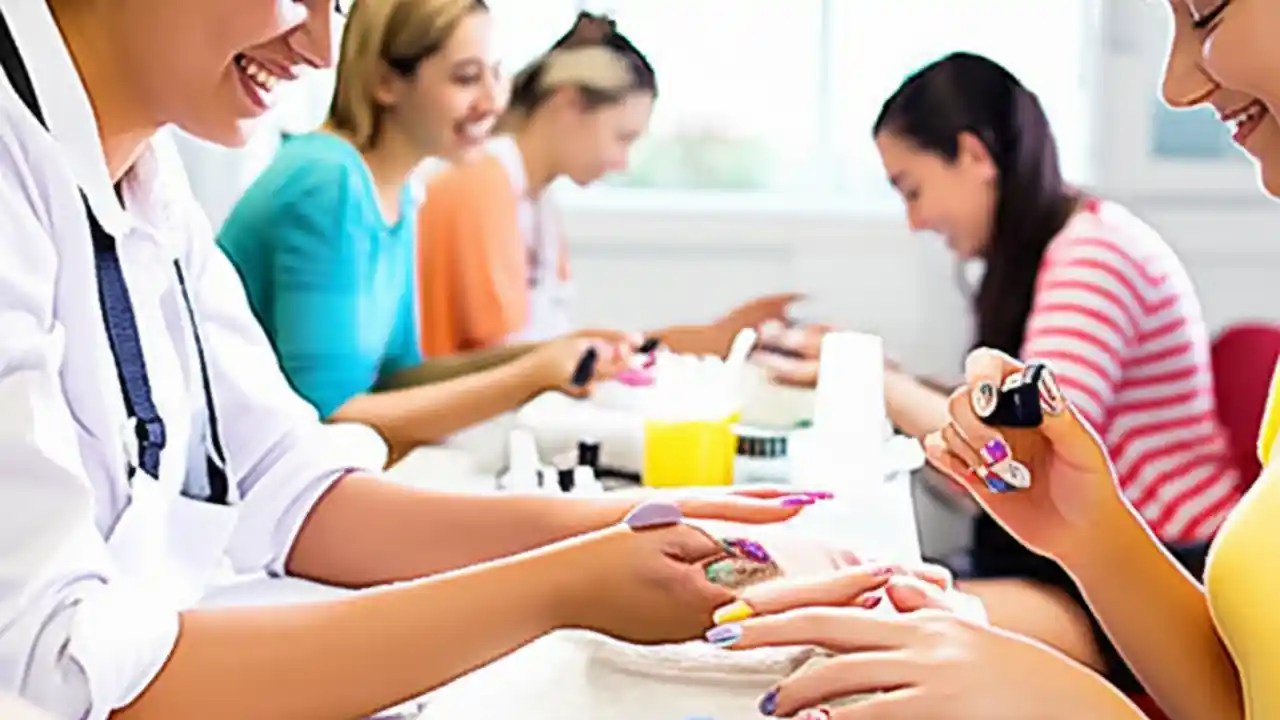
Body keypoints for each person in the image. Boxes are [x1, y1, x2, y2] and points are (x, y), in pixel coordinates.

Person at [0, 1, 823, 716]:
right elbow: (57, 671)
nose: (323, 49)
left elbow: (290, 485)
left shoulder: (149, 177)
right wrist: (562, 588)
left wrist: (647, 522)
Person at [697, 2, 1280, 717]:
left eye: (912, 189)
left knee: (855, 629)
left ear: (974, 156)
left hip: (1172, 553)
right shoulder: (1053, 250)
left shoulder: (1094, 252)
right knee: (840, 597)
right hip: (1110, 559)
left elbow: (1017, 449)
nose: (914, 221)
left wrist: (869, 377)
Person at [218, 0, 633, 463]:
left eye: (496, 74)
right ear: (385, 82)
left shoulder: (402, 191)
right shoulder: (328, 182)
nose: (494, 102)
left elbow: (399, 376)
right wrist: (531, 374)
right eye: (465, 78)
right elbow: (330, 420)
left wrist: (551, 354)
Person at [416, 11, 797, 358]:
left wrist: (711, 339)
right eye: (622, 136)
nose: (623, 162)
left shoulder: (537, 203)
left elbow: (544, 353)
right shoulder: (479, 184)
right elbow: (508, 358)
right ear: (568, 105)